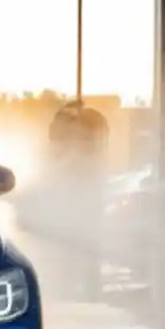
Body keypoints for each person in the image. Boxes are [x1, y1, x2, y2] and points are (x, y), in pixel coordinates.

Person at [47, 100, 110, 300]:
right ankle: (85, 291)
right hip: (83, 200)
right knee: (83, 250)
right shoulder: (93, 123)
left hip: (82, 199)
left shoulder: (87, 127)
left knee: (79, 250)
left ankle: (74, 290)